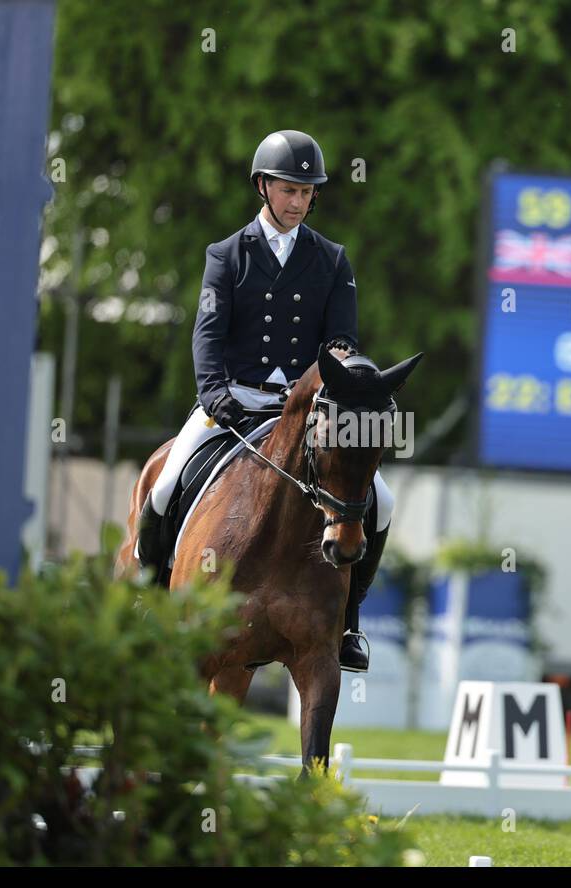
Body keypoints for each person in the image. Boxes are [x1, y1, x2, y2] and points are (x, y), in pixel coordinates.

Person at [135, 129, 394, 673]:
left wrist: (338, 391)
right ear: (263, 187)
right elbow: (207, 334)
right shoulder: (226, 256)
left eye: (306, 192)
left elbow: (341, 344)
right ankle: (148, 596)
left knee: (382, 500)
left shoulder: (331, 260)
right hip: (231, 403)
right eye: (288, 190)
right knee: (162, 486)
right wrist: (213, 393)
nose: (298, 202)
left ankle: (349, 622)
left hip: (303, 411)